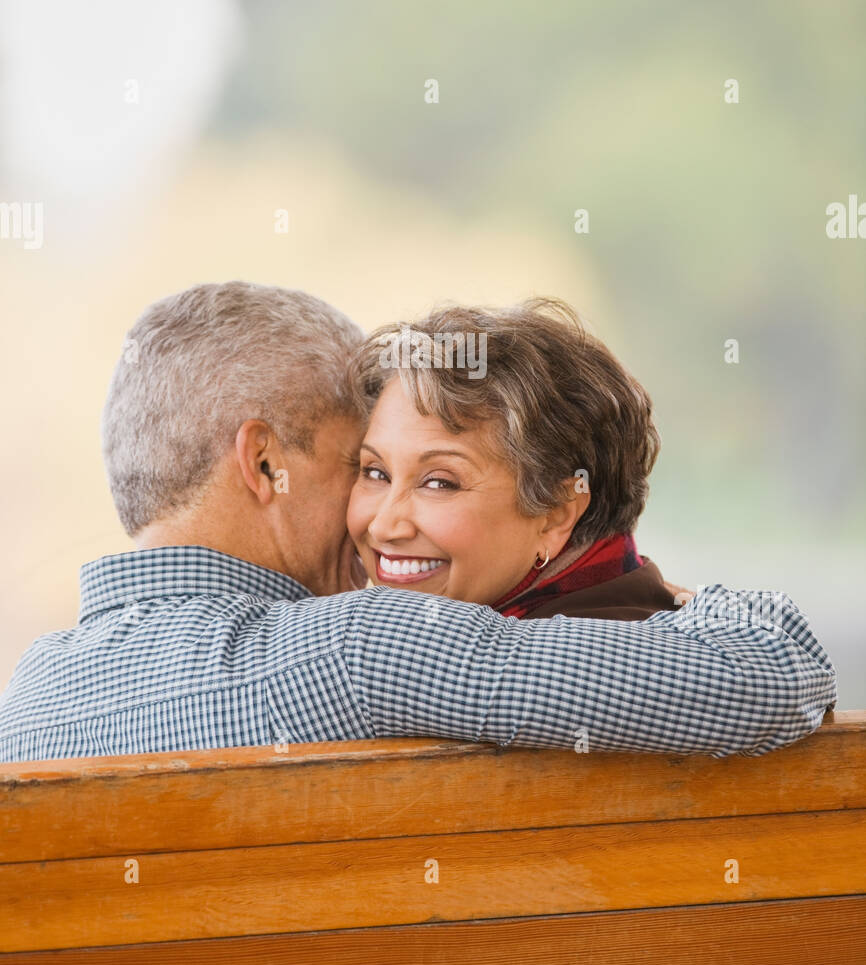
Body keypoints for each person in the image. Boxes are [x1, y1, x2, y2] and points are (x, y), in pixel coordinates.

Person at [0, 281, 835, 763]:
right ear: (264, 466)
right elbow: (774, 678)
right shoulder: (354, 648)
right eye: (360, 466)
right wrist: (706, 603)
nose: (380, 521)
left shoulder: (25, 705)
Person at [348, 299, 680, 621]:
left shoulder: (571, 665)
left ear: (554, 515)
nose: (383, 526)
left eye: (439, 482)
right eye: (376, 473)